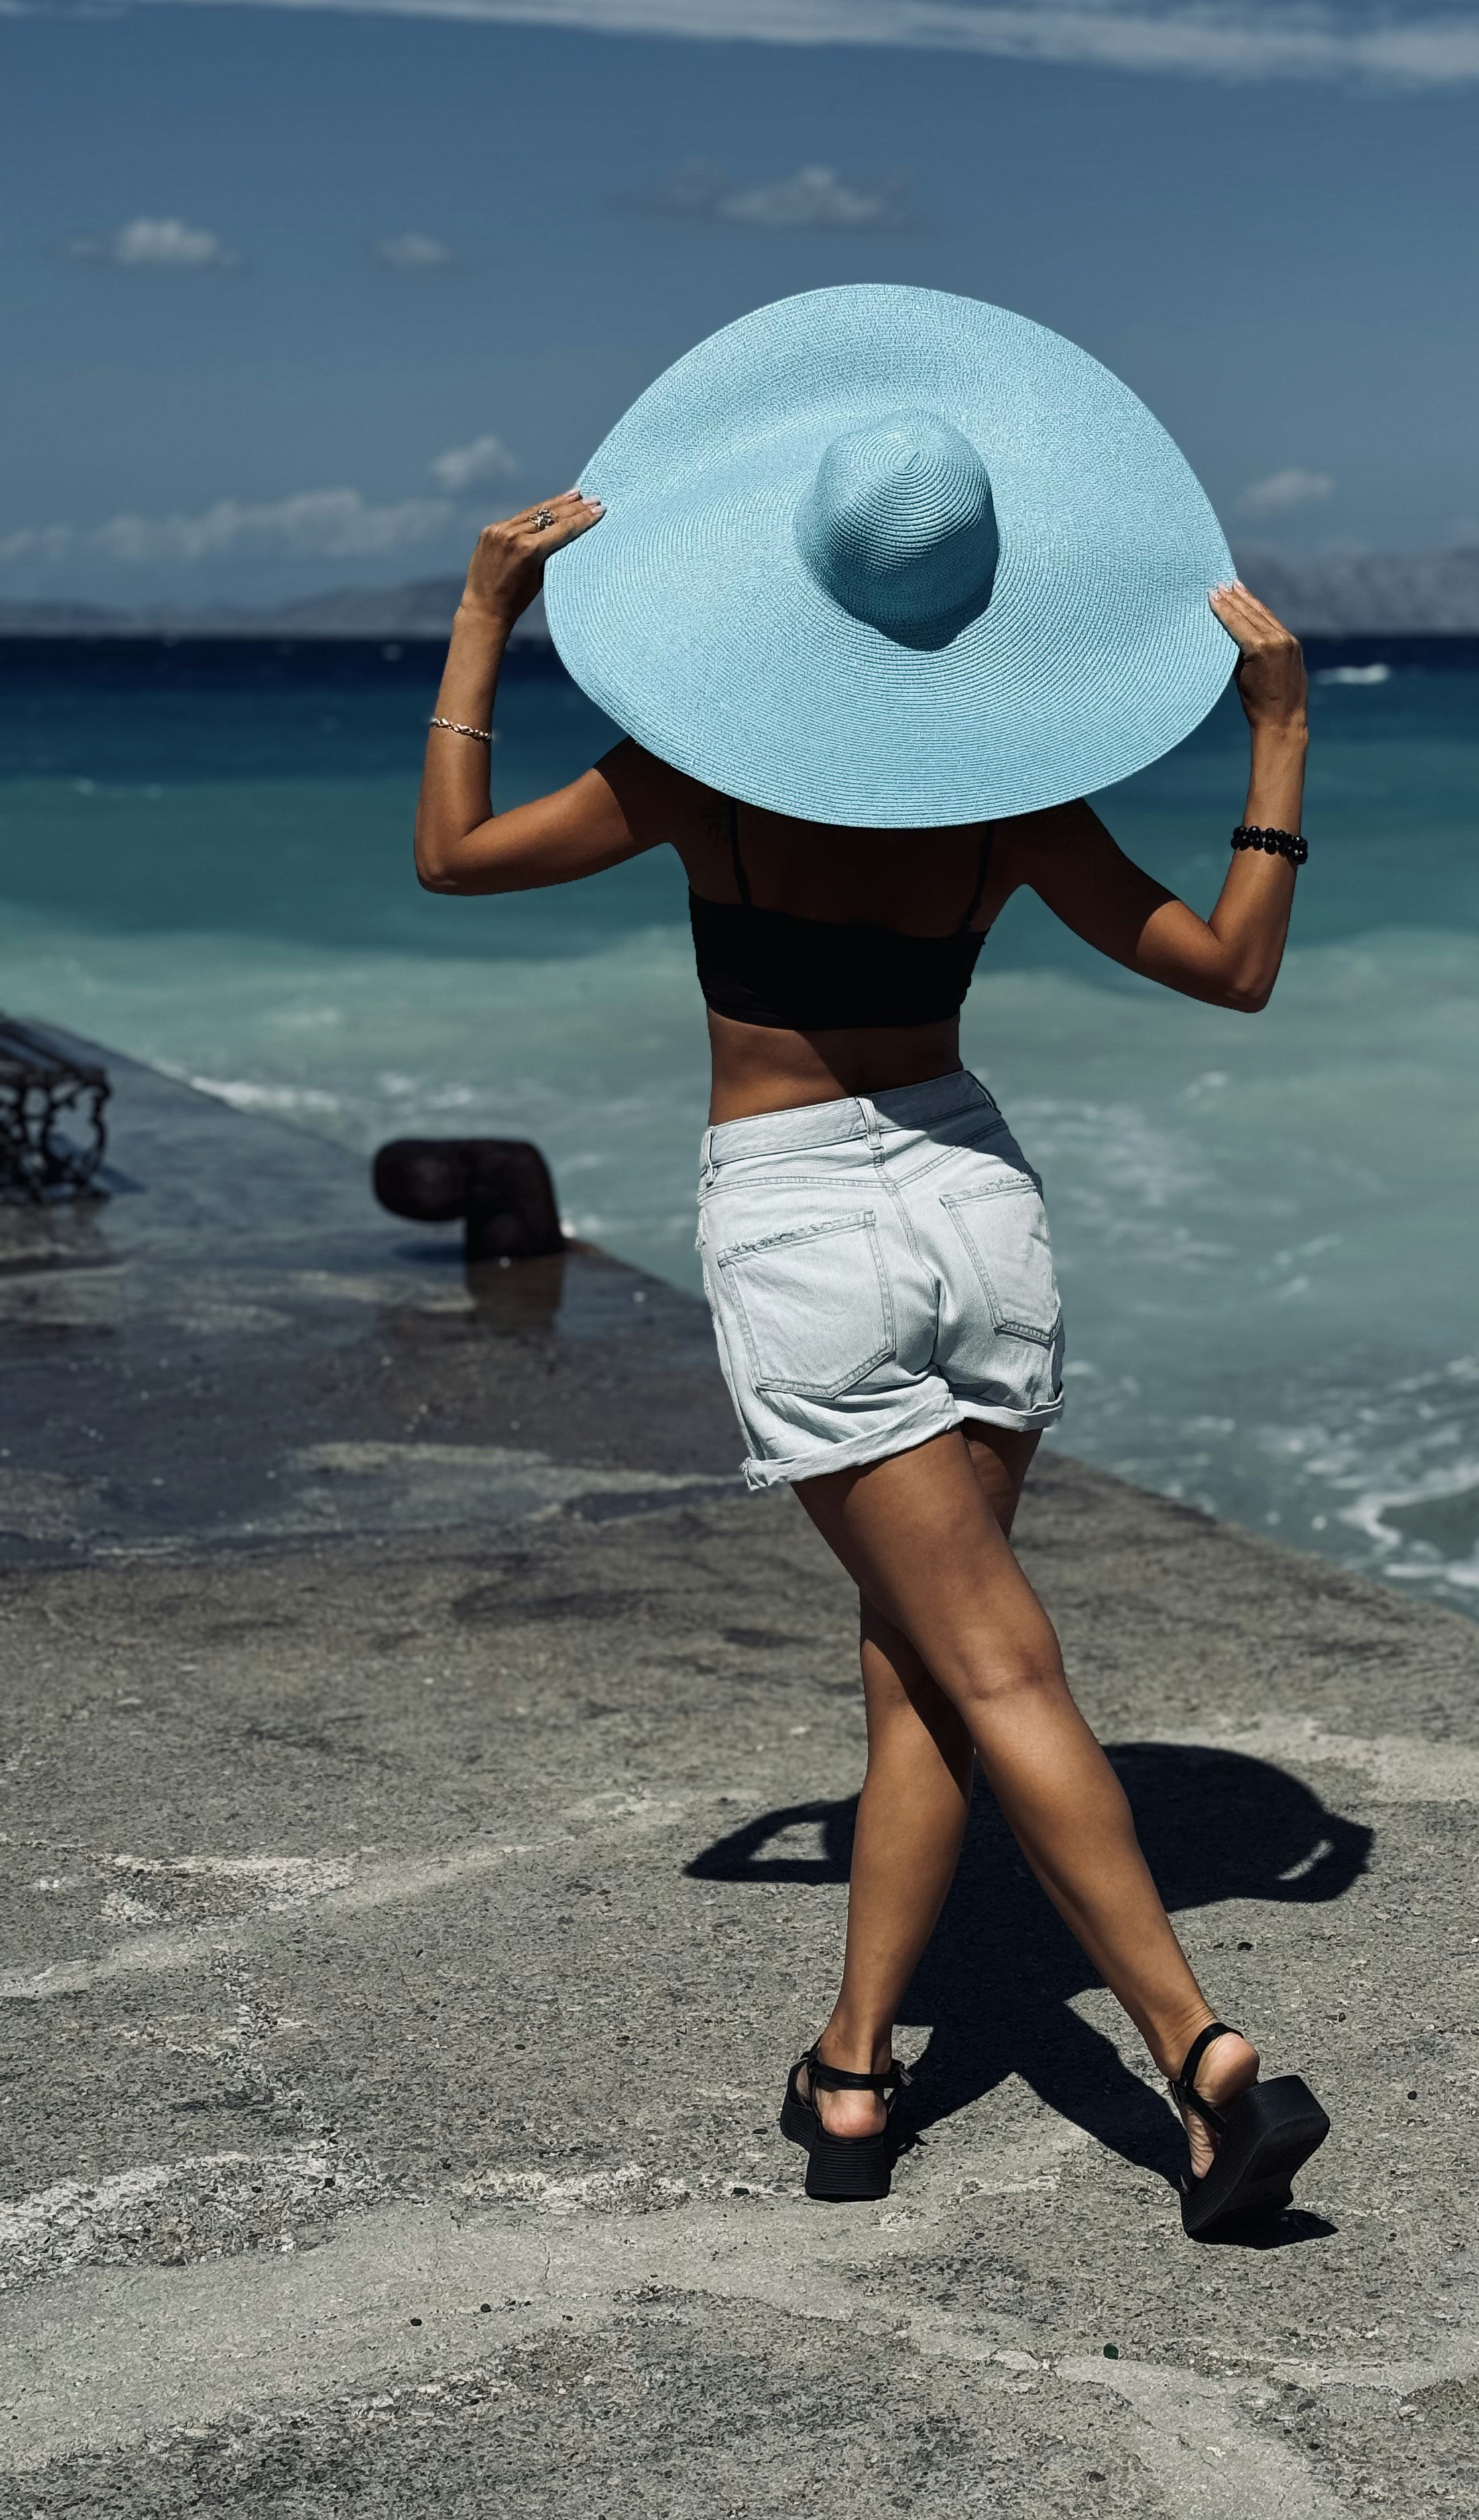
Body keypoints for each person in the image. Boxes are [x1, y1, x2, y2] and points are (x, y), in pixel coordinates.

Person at [412, 288, 1328, 2235]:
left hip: (807, 1218)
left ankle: (1201, 2059)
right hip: (974, 1202)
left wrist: (488, 619)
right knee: (916, 1669)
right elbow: (1233, 973)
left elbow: (455, 855)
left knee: (982, 1656)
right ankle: (851, 2077)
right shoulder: (1012, 804)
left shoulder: (692, 779)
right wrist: (1282, 739)